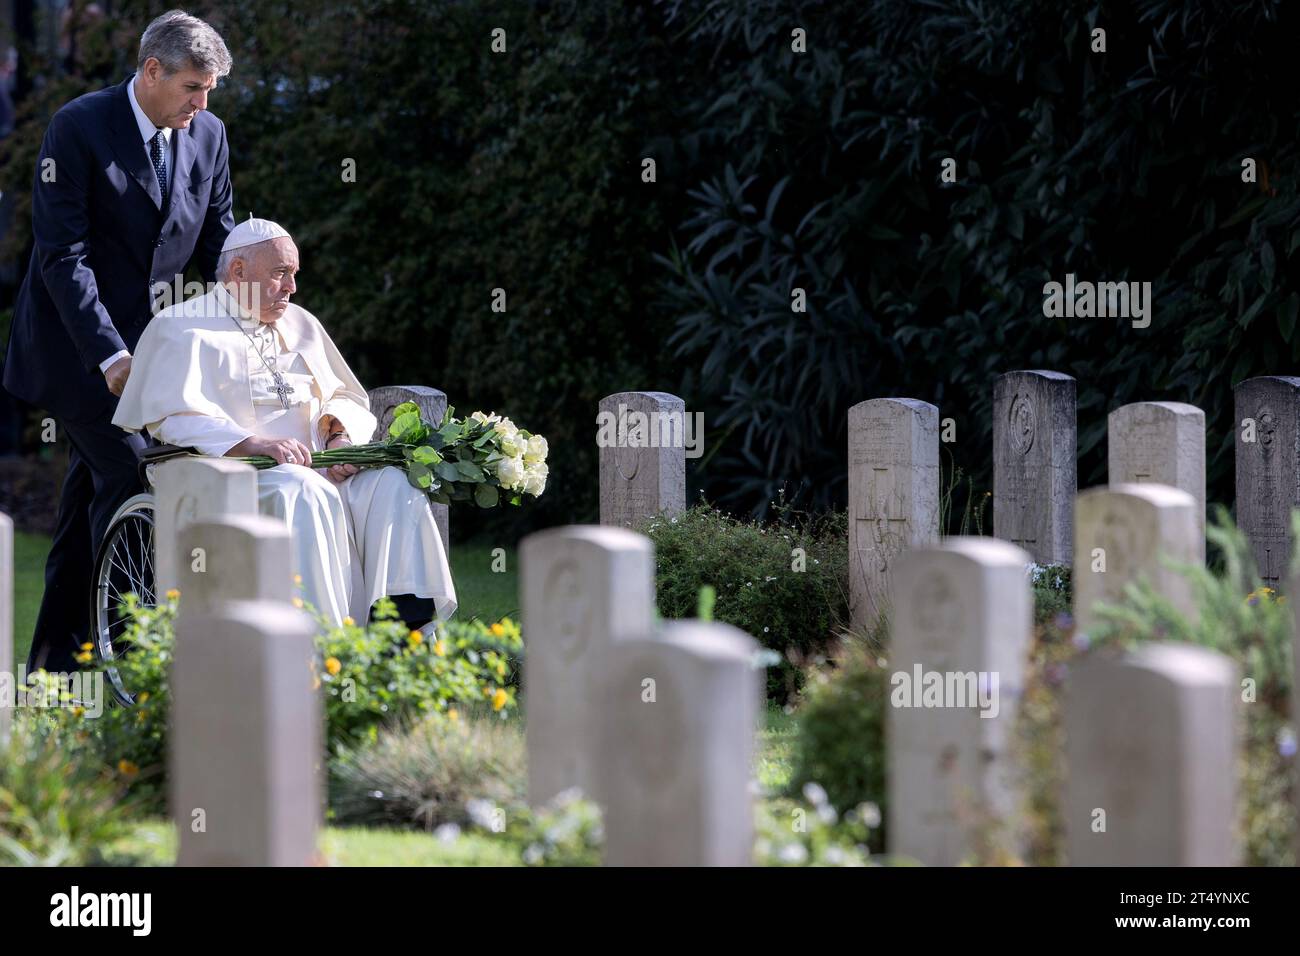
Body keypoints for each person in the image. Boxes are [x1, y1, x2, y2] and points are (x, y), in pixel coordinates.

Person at [2, 11, 235, 672]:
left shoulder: (209, 135)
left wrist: (247, 328)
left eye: (210, 89)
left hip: (153, 357)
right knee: (137, 475)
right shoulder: (78, 128)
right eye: (193, 86)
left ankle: (55, 670)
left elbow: (219, 249)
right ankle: (135, 665)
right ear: (151, 70)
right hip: (77, 353)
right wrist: (111, 354)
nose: (203, 102)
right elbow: (61, 258)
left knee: (87, 506)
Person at [112, 218, 457, 630]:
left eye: (294, 274)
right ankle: (323, 649)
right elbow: (174, 419)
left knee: (395, 485)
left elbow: (344, 394)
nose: (292, 287)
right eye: (280, 274)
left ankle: (398, 637)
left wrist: (338, 434)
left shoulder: (301, 323)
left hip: (319, 467)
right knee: (304, 489)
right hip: (234, 476)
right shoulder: (181, 326)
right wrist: (252, 442)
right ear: (238, 271)